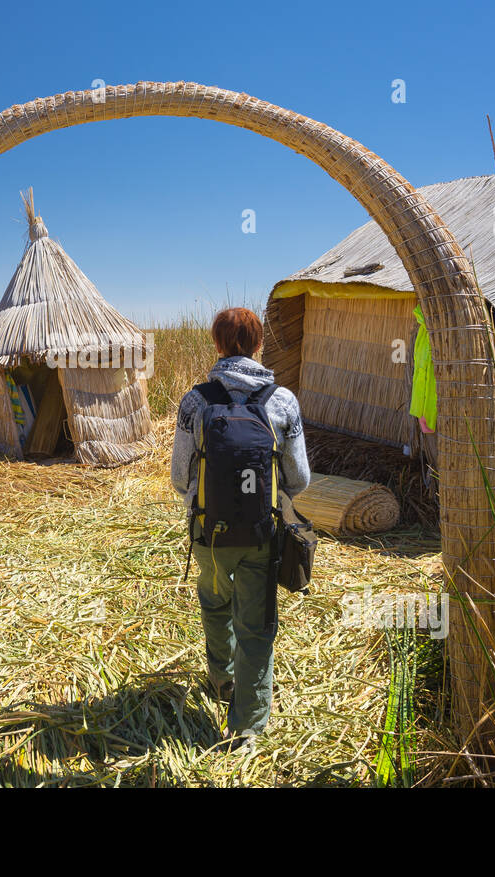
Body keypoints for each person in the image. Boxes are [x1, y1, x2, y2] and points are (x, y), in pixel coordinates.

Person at [170, 307, 309, 751]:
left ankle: (221, 680)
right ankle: (246, 726)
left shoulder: (195, 401)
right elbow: (300, 478)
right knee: (257, 625)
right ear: (260, 344)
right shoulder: (282, 401)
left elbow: (178, 477)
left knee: (214, 601)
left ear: (216, 344)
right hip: (261, 532)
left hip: (209, 530)